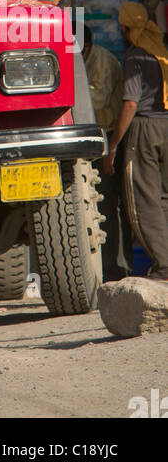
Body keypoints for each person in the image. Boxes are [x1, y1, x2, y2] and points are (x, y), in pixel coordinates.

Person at [106, 1, 168, 282]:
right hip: (166, 125)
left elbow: (130, 104)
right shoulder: (162, 50)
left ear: (126, 27)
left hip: (143, 130)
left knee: (141, 203)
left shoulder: (135, 56)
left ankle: (164, 266)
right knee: (163, 200)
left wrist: (115, 143)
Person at [82, 24, 131, 280]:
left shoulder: (100, 61)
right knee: (101, 207)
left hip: (110, 138)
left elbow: (96, 102)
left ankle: (117, 268)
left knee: (110, 206)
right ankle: (107, 266)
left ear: (86, 46)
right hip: (96, 138)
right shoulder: (82, 58)